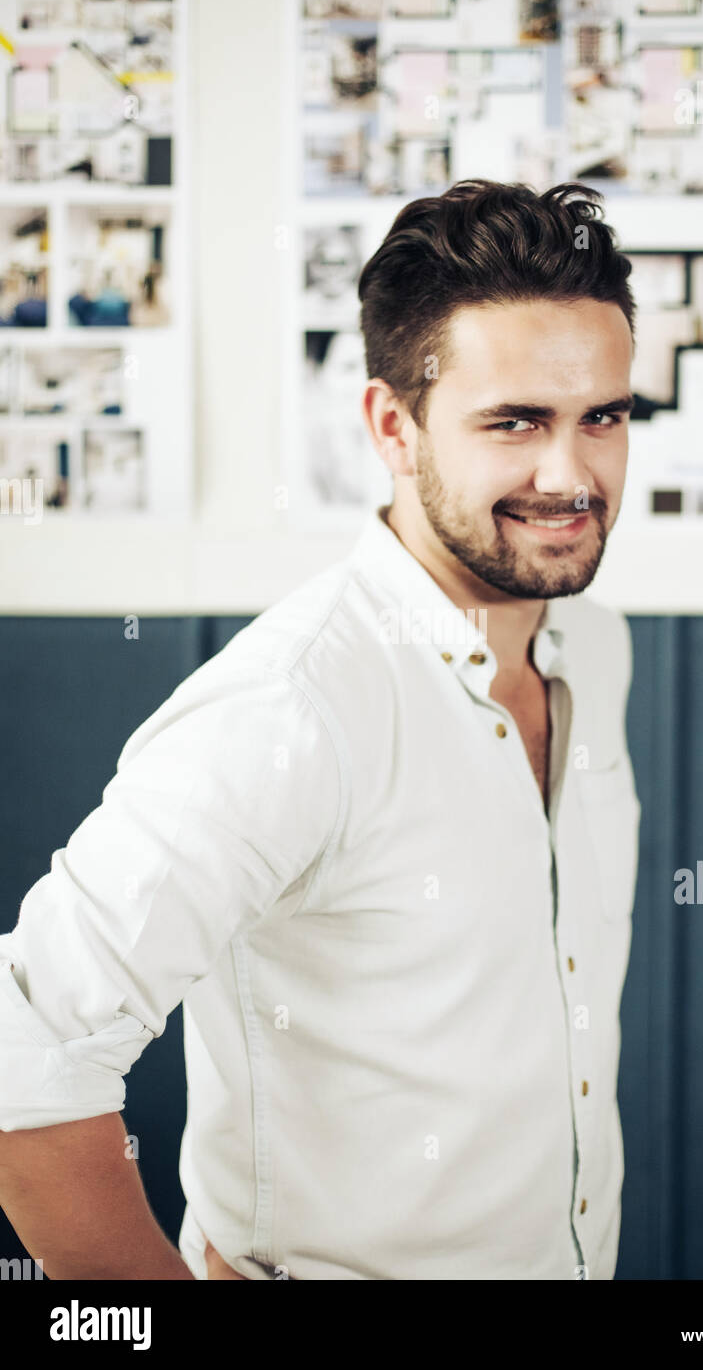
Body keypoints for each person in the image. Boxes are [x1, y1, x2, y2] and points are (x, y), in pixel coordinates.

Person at [0, 178, 641, 1281]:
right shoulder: (291, 705)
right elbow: (24, 1047)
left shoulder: (596, 645)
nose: (569, 474)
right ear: (392, 427)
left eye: (604, 417)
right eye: (515, 422)